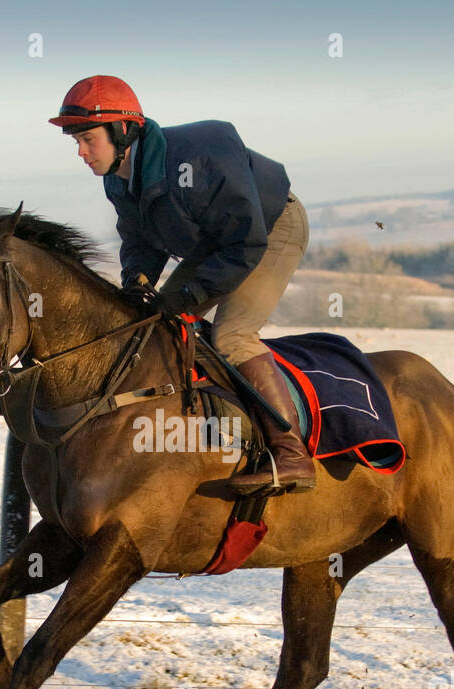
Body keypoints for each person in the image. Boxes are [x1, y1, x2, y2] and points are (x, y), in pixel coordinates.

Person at [48, 75, 315, 496]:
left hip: (269, 230)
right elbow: (139, 240)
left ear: (122, 130)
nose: (81, 152)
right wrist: (137, 283)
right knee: (154, 324)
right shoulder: (117, 177)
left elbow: (245, 241)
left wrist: (191, 295)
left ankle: (291, 454)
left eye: (88, 139)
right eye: (76, 142)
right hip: (218, 241)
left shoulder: (202, 153)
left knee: (232, 336)